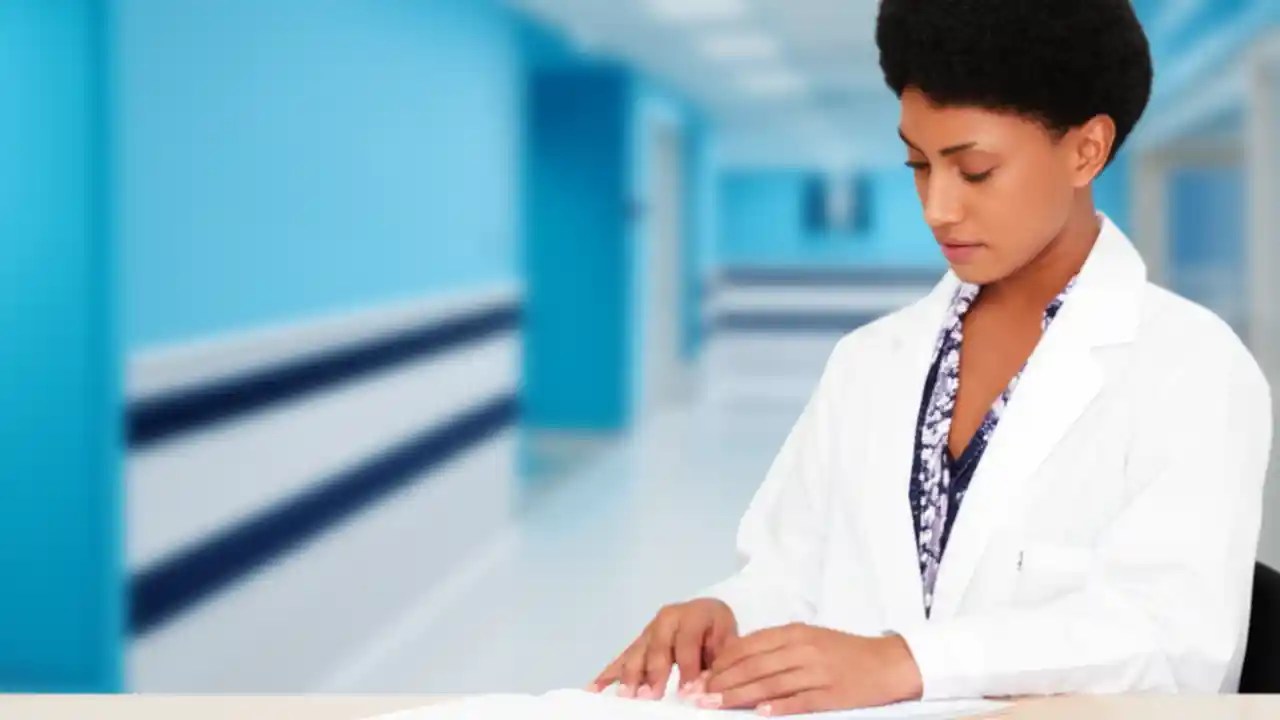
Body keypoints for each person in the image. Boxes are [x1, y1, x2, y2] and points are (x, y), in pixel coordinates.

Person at [588, 0, 1275, 715]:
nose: (937, 207)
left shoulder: (1191, 369)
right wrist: (724, 615)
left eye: (973, 170)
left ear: (1086, 151)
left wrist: (908, 660)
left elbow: (1171, 641)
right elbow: (791, 575)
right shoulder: (869, 363)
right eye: (918, 164)